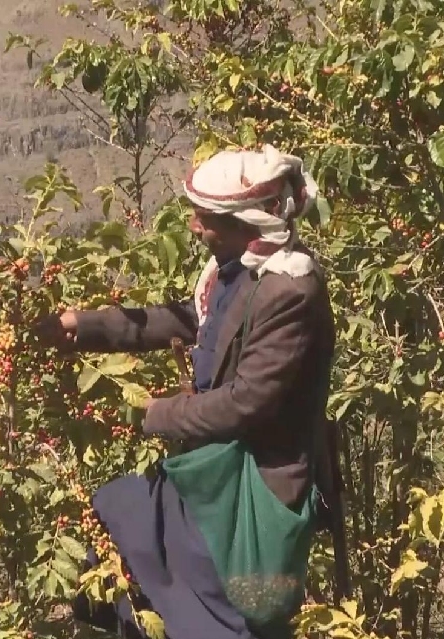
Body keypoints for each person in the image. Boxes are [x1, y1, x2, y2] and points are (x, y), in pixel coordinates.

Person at [36, 144, 346, 639]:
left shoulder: (289, 291)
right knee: (111, 520)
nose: (195, 228)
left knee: (218, 608)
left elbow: (248, 402)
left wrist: (158, 414)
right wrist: (85, 327)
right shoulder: (239, 271)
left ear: (247, 223)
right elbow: (188, 320)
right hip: (215, 464)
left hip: (250, 482)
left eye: (206, 219)